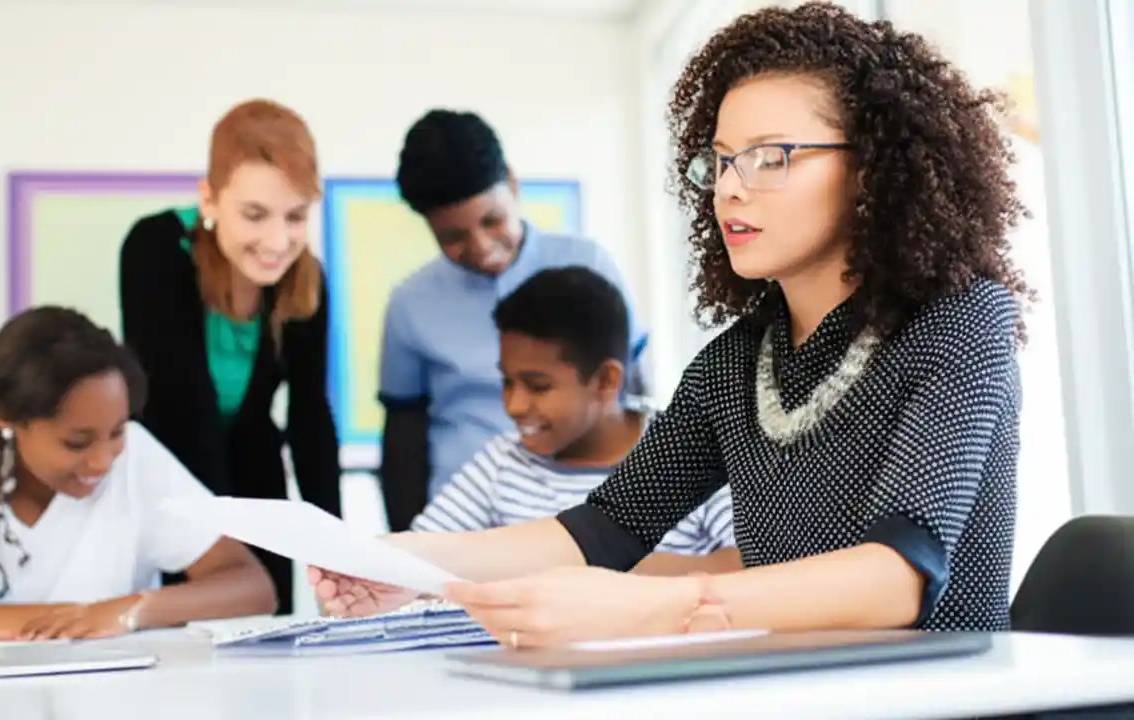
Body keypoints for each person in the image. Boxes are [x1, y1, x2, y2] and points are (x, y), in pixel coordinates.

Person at [312, 2, 1029, 644]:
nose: (729, 187)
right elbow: (599, 532)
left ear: (873, 169)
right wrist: (404, 562)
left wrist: (645, 607)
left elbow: (897, 581)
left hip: (940, 697)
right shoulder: (734, 365)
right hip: (793, 694)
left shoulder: (962, 323)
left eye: (770, 158)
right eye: (718, 162)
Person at [0, 307, 276, 642]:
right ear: (8, 418)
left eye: (116, 432)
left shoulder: (138, 460)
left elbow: (251, 586)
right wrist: (11, 623)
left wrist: (123, 611)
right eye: (77, 442)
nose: (103, 461)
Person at [379, 108, 650, 532]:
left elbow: (634, 391)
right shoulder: (409, 303)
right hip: (463, 522)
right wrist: (405, 552)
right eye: (454, 237)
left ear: (512, 182)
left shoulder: (589, 266)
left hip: (593, 506)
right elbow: (402, 444)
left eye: (492, 220)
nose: (483, 247)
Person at [120, 99, 340, 614]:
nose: (277, 241)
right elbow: (182, 405)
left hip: (253, 479)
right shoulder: (155, 249)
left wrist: (336, 553)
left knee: (271, 633)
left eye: (296, 216)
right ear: (210, 199)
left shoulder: (308, 284)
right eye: (255, 215)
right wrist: (226, 556)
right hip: (171, 483)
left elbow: (309, 418)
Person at [413, 266, 735, 566]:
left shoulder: (689, 450)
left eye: (538, 386)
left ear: (606, 380)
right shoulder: (503, 460)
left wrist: (572, 575)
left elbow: (749, 569)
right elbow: (420, 558)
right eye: (507, 382)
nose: (514, 405)